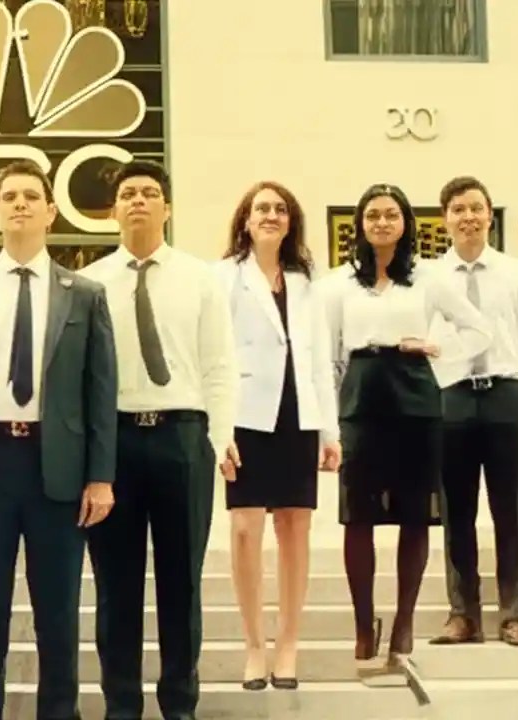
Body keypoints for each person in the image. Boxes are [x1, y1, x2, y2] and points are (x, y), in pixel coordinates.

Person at [0, 158, 117, 720]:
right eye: (9, 196)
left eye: (31, 196)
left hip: (56, 468)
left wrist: (101, 475)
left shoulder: (83, 294)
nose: (19, 204)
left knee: (58, 613)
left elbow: (100, 391)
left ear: (50, 210)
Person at [77, 160, 235, 719]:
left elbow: (219, 365)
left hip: (182, 439)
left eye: (149, 193)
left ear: (166, 208)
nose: (138, 200)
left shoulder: (201, 279)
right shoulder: (91, 282)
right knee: (116, 587)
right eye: (128, 193)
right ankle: (121, 705)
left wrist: (219, 437)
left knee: (180, 583)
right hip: (114, 444)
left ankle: (179, 705)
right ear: (114, 211)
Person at [321, 183, 491, 679]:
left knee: (417, 514)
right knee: (359, 517)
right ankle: (361, 622)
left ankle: (403, 625)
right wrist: (332, 414)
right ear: (360, 223)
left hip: (416, 400)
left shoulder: (427, 279)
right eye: (372, 215)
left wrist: (438, 351)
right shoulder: (339, 284)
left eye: (390, 215)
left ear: (405, 222)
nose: (381, 222)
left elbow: (479, 330)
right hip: (361, 398)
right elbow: (328, 354)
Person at [214, 181, 340, 689]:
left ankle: (288, 645)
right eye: (261, 208)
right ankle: (254, 646)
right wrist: (217, 429)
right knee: (246, 529)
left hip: (298, 415)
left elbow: (319, 361)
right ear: (245, 219)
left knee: (295, 528)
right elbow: (214, 355)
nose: (271, 215)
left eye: (280, 209)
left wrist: (329, 431)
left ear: (291, 222)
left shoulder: (308, 282)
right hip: (245, 415)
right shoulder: (222, 277)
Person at [427, 175, 518, 648]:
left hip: (505, 396)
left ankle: (513, 615)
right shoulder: (431, 278)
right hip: (453, 397)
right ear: (446, 219)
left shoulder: (516, 274)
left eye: (476, 208)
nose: (468, 217)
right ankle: (464, 614)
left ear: (489, 215)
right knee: (456, 510)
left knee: (512, 510)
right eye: (458, 209)